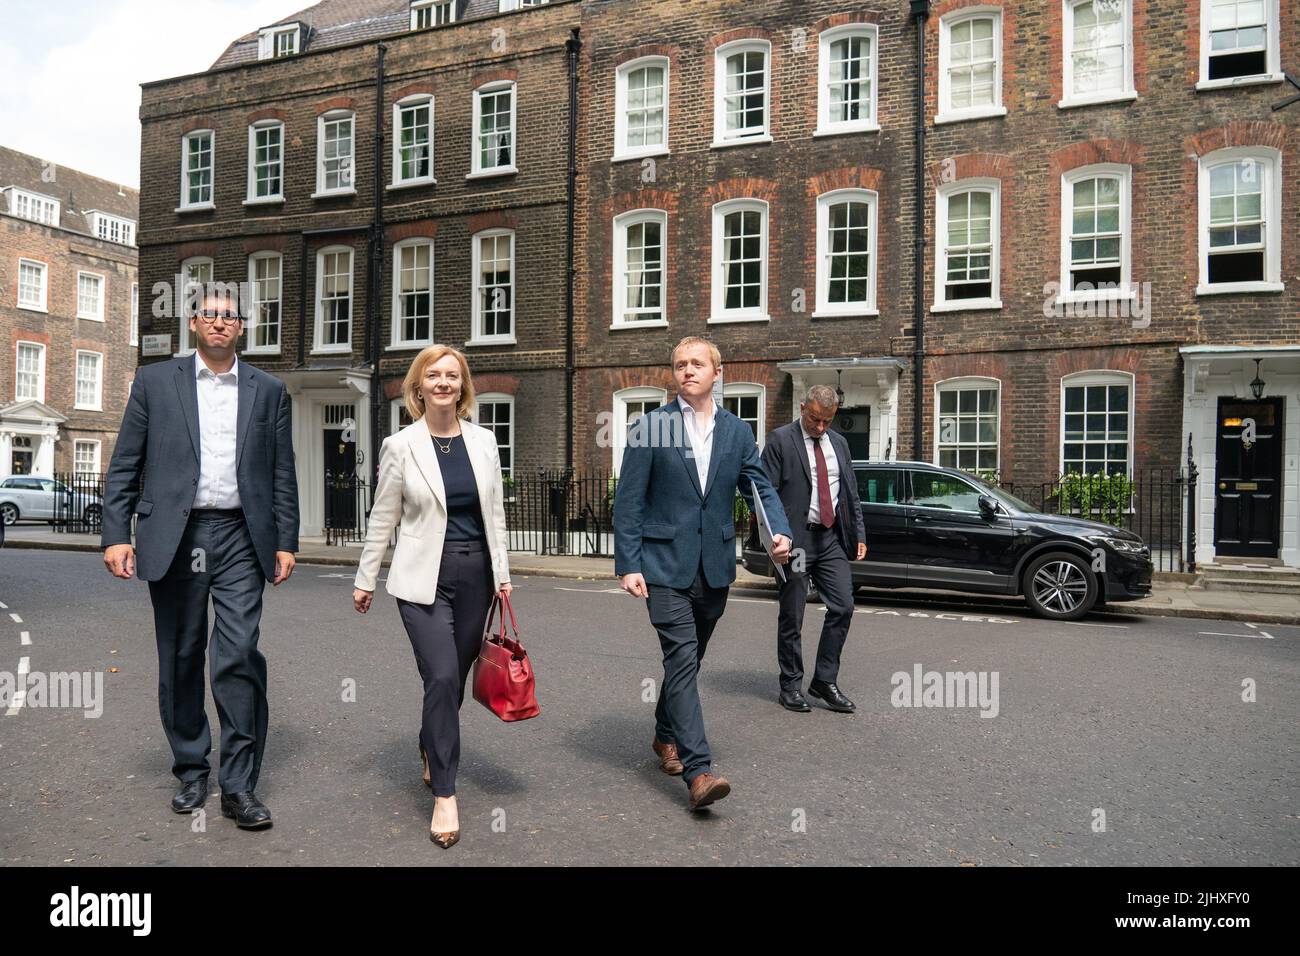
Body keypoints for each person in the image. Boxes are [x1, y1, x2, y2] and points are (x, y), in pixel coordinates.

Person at [101, 289, 299, 830]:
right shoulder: (155, 382)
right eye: (209, 314)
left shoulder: (270, 390)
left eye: (229, 315)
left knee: (237, 655)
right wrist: (115, 534)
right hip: (179, 533)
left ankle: (239, 785)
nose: (219, 322)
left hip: (240, 534)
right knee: (183, 654)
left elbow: (282, 471)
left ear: (242, 327)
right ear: (194, 322)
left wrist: (286, 540)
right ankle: (192, 767)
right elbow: (125, 463)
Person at [614, 337, 792, 811]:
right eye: (679, 365)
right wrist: (629, 563)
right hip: (664, 567)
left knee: (687, 663)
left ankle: (663, 734)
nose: (687, 370)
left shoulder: (737, 432)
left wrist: (780, 532)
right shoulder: (650, 427)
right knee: (681, 655)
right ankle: (699, 770)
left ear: (718, 372)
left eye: (697, 364)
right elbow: (628, 502)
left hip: (713, 568)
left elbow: (760, 488)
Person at [352, 345, 512, 849]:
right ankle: (445, 792)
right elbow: (384, 514)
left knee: (453, 682)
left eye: (452, 375)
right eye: (433, 375)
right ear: (419, 387)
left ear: (463, 386)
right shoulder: (401, 445)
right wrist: (364, 577)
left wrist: (503, 575)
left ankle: (430, 742)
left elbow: (496, 514)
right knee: (441, 675)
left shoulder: (485, 442)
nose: (443, 382)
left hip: (476, 575)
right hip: (422, 576)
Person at [761, 385, 867, 714]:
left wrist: (859, 533)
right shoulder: (780, 440)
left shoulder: (840, 444)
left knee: (843, 606)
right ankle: (790, 685)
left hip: (830, 538)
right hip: (795, 542)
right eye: (815, 419)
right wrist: (775, 537)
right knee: (793, 614)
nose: (820, 427)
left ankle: (824, 680)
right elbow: (765, 494)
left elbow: (849, 493)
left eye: (828, 421)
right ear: (803, 407)